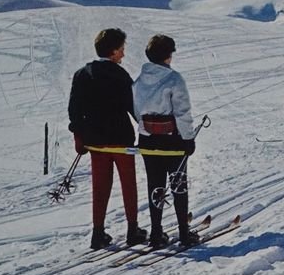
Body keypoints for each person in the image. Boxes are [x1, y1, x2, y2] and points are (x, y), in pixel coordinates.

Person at [68, 28, 147, 249]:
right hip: (121, 138)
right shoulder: (120, 75)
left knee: (100, 186)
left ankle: (98, 232)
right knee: (128, 184)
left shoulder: (82, 74)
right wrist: (148, 131)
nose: (123, 53)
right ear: (113, 51)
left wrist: (79, 134)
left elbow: (74, 109)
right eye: (121, 49)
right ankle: (133, 230)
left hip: (95, 140)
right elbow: (134, 108)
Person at [133, 34, 200, 249]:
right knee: (178, 184)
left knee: (155, 185)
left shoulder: (138, 81)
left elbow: (137, 112)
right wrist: (188, 139)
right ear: (168, 56)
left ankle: (156, 232)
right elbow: (182, 112)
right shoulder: (174, 79)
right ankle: (183, 232)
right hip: (173, 141)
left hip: (147, 139)